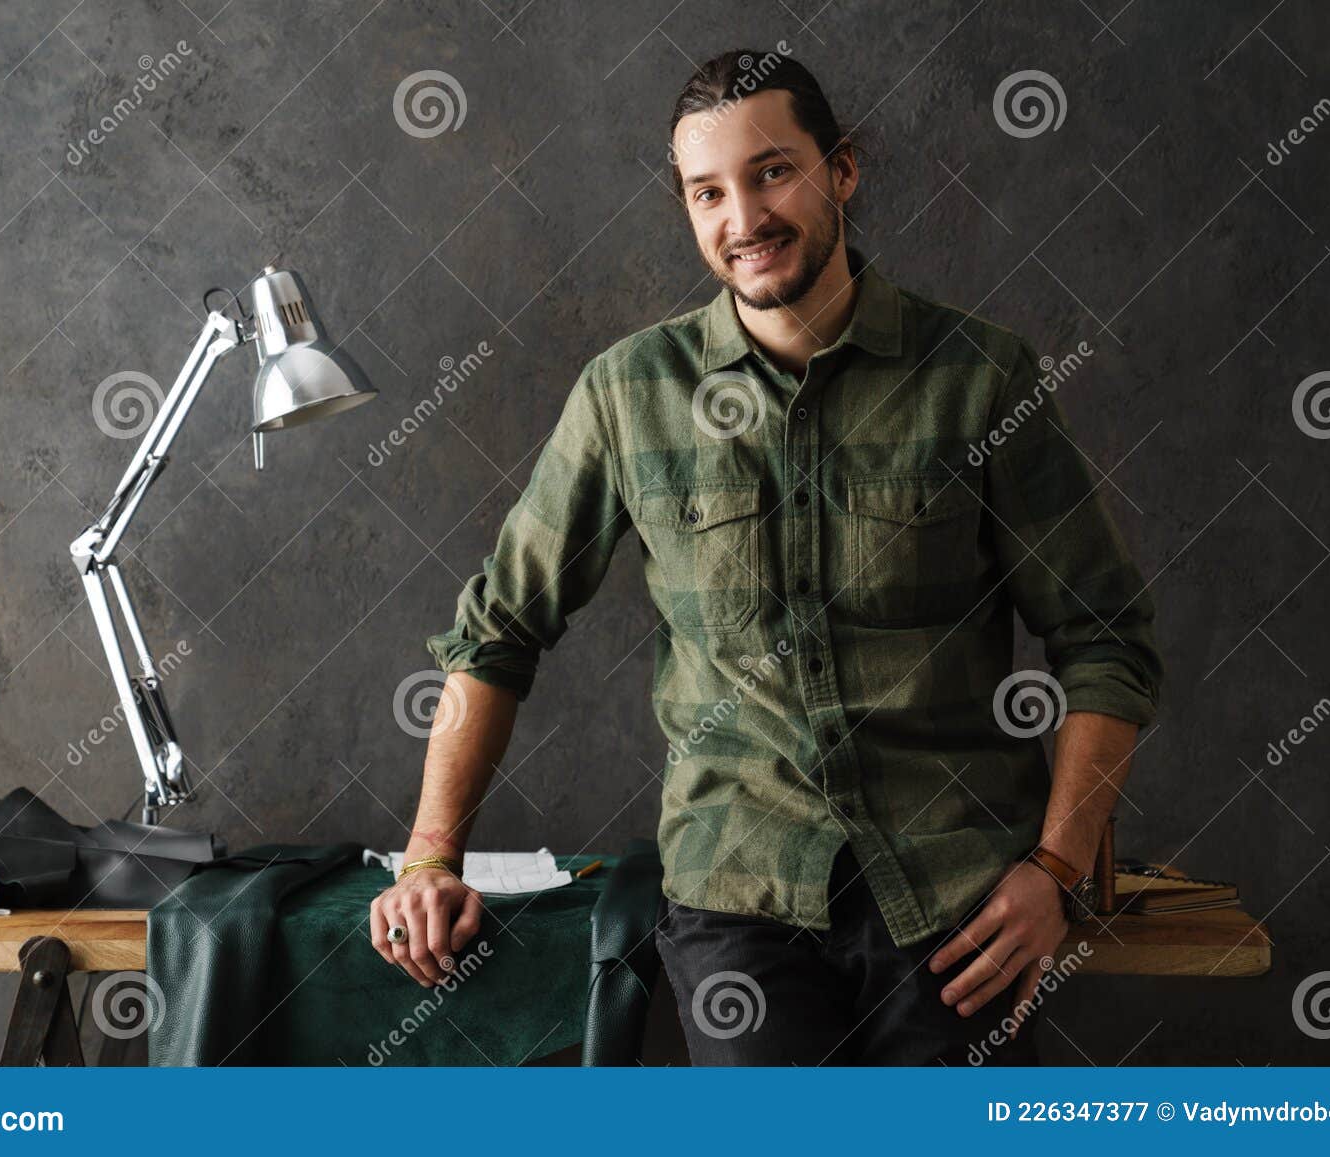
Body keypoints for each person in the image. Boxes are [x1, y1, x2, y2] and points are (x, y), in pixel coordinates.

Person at [368, 48, 1163, 1066]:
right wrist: (429, 857)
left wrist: (1056, 867)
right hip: (738, 898)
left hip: (957, 899)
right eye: (708, 192)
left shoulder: (978, 378)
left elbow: (1105, 640)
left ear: (843, 169)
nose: (743, 218)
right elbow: (498, 631)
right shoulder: (628, 394)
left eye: (772, 171)